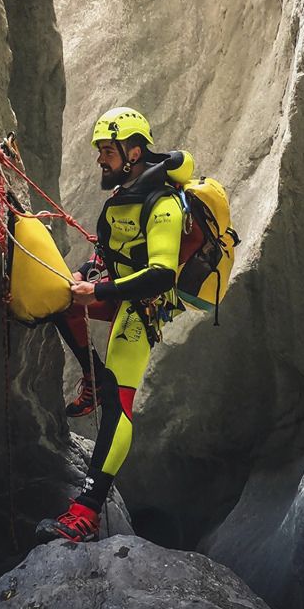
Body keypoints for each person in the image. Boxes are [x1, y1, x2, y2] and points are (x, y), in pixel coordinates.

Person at [35, 107, 193, 544]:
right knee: (62, 299)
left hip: (145, 307)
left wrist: (99, 293)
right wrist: (88, 274)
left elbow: (163, 273)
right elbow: (108, 255)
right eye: (101, 151)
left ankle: (85, 513)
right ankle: (92, 381)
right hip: (120, 291)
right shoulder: (120, 198)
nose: (101, 160)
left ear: (134, 151)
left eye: (108, 151)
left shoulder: (162, 204)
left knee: (118, 403)